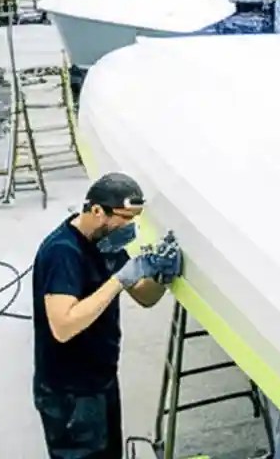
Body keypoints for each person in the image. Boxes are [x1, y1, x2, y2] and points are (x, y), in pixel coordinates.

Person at [31, 172, 181, 459]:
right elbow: (62, 326)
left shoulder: (107, 245)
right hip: (70, 394)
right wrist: (119, 280)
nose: (130, 228)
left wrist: (162, 274)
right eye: (125, 219)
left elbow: (144, 296)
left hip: (100, 381)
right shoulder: (63, 252)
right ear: (97, 211)